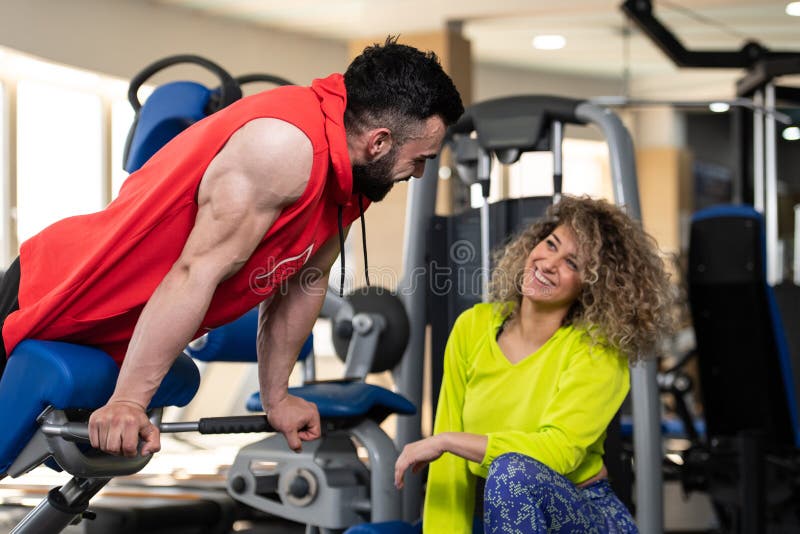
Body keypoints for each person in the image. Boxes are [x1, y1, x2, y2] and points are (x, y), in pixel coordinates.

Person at [0, 36, 463, 458]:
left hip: (115, 333)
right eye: (419, 160)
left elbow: (304, 282)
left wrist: (277, 395)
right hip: (56, 292)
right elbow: (194, 271)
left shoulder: (352, 183)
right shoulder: (283, 146)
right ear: (379, 142)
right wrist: (127, 401)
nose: (419, 174)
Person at [395, 195, 675, 533]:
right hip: (507, 517)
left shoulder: (597, 351)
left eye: (572, 263)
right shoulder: (473, 327)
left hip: (587, 514)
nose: (547, 263)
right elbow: (449, 470)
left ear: (592, 286)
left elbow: (558, 453)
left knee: (511, 471)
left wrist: (447, 441)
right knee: (506, 474)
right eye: (550, 244)